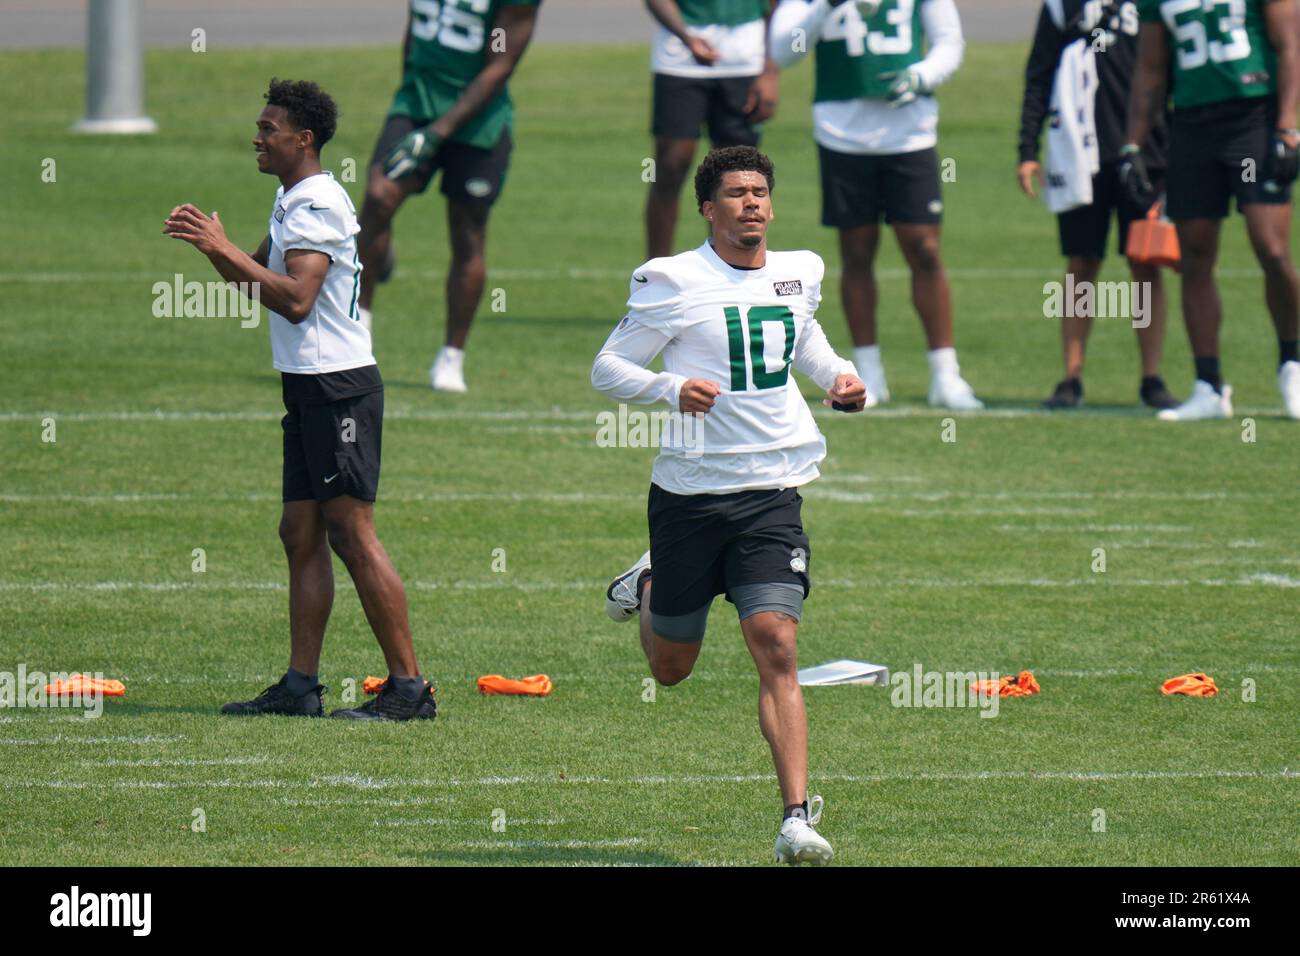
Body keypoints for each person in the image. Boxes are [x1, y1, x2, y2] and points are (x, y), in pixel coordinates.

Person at [592, 146, 867, 865]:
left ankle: (795, 818)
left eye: (760, 192)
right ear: (707, 208)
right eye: (737, 193)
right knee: (671, 668)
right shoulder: (671, 279)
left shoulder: (800, 270)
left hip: (772, 490)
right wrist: (668, 388)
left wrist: (839, 377)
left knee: (776, 642)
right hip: (689, 496)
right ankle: (649, 583)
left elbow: (802, 337)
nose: (752, 203)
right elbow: (608, 367)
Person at [164, 79, 436, 721]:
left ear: (303, 139)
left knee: (352, 533)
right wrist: (218, 251)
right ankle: (300, 687)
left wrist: (220, 248)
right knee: (300, 530)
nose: (257, 138)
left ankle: (409, 689)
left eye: (269, 129)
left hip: (338, 388)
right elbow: (256, 281)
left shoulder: (316, 203)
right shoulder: (292, 198)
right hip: (308, 384)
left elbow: (295, 299)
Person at [770, 0, 983, 409]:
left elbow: (949, 42)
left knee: (924, 247)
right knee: (857, 250)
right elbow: (783, 50)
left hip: (909, 132)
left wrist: (921, 75)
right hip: (841, 133)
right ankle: (867, 374)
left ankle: (945, 375)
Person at [1123, 0, 1300, 420]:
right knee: (1195, 257)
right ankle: (1208, 384)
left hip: (1253, 117)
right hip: (1191, 125)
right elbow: (1150, 67)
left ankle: (1292, 364)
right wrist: (1133, 143)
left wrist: (1288, 126)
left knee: (1271, 248)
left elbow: (1290, 44)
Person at [358, 0, 543, 393]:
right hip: (418, 102)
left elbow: (500, 65)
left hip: (479, 120)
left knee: (467, 232)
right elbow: (415, 31)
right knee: (377, 199)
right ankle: (359, 325)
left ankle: (451, 356)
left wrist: (436, 133)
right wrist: (409, 95)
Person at [1018, 0, 1178, 410]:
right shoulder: (1062, 6)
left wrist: (1177, 149)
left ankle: (1152, 377)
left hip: (1146, 152)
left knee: (1145, 261)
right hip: (1078, 153)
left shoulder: (1152, 5)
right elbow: (1039, 74)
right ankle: (1071, 377)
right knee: (1082, 261)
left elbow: (1173, 72)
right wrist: (1027, 149)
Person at [644, 0, 780, 258]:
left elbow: (777, 9)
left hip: (745, 59)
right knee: (671, 164)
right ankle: (656, 270)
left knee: (738, 173)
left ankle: (730, 264)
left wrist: (770, 70)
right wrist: (686, 36)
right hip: (679, 57)